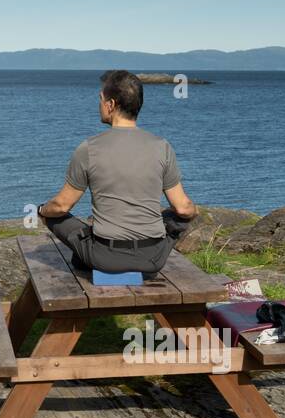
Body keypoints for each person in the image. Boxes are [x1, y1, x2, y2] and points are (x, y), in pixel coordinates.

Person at [38, 69, 196, 276]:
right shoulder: (162, 146)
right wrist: (195, 210)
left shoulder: (89, 148)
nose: (99, 105)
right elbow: (183, 209)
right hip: (153, 258)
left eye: (101, 99)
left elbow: (61, 205)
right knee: (177, 215)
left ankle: (85, 256)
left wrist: (41, 211)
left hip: (105, 258)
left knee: (53, 215)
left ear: (111, 105)